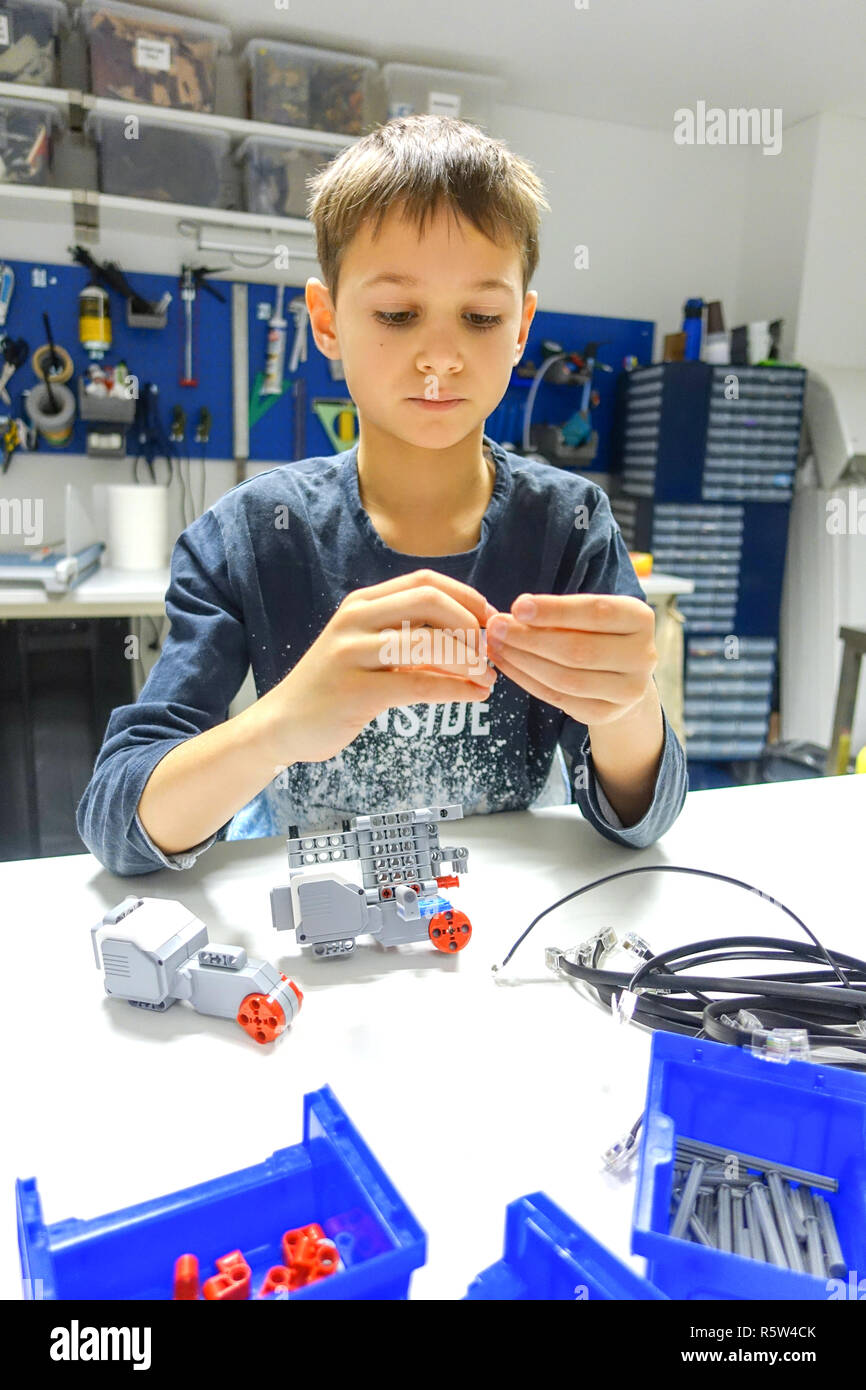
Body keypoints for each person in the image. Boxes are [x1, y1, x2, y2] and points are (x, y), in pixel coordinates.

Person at [76, 114, 687, 877]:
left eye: (482, 316)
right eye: (397, 314)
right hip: (308, 915)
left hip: (499, 926)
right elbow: (115, 821)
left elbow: (642, 825)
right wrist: (280, 726)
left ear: (522, 327)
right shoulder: (249, 536)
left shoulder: (568, 527)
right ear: (327, 321)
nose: (440, 355)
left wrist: (628, 706)